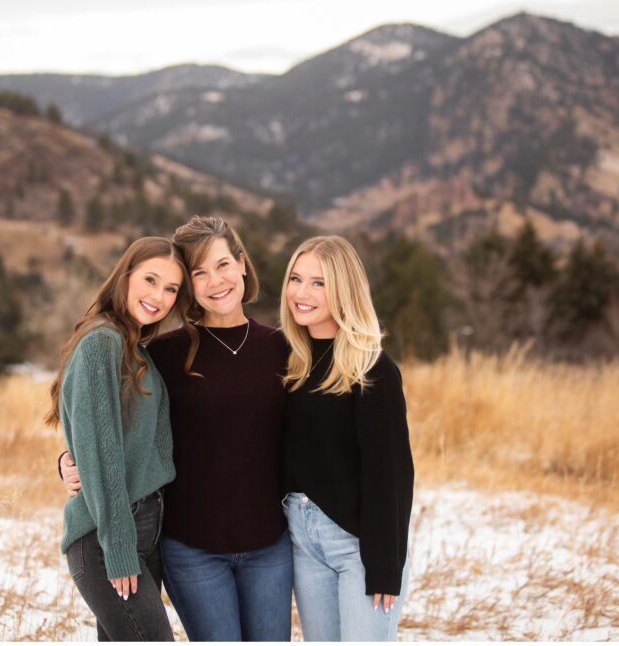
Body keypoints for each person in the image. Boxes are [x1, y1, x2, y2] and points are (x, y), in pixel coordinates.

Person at [62, 216, 293, 641]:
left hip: (262, 543)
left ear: (242, 264)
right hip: (184, 544)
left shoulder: (284, 349)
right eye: (198, 273)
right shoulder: (159, 354)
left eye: (223, 265)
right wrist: (69, 459)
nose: (215, 281)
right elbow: (91, 420)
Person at [45, 236, 191, 642]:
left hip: (140, 529)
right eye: (150, 279)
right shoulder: (102, 343)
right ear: (125, 276)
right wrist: (120, 547)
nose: (158, 296)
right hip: (107, 535)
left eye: (171, 289)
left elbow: (113, 436)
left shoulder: (133, 346)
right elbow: (102, 452)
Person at [279, 235, 414, 642]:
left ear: (344, 289)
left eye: (318, 283)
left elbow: (390, 474)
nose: (302, 293)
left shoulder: (372, 369)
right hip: (303, 540)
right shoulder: (289, 362)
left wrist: (385, 567)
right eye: (296, 279)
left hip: (358, 547)